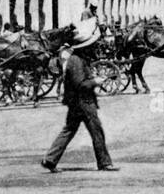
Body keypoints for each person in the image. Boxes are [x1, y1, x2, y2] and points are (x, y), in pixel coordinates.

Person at [42, 25, 117, 173]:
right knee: (96, 130)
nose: (93, 48)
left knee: (69, 129)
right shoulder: (76, 61)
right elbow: (81, 84)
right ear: (85, 47)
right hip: (83, 102)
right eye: (91, 45)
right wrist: (96, 81)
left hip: (77, 102)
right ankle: (104, 162)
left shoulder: (78, 59)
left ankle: (50, 160)